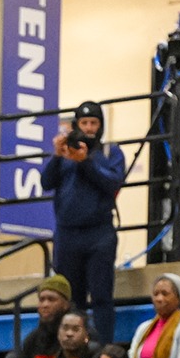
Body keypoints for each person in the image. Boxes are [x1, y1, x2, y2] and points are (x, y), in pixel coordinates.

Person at [42, 101, 124, 335]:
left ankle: (104, 347)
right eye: (84, 123)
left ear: (101, 125)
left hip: (99, 234)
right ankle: (72, 346)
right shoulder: (64, 153)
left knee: (101, 295)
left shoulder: (110, 152)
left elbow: (112, 183)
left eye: (94, 123)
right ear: (76, 125)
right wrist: (57, 156)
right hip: (67, 234)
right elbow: (46, 183)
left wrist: (85, 161)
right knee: (71, 299)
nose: (89, 128)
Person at [5, 275, 77, 358]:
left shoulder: (80, 335)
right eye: (41, 299)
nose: (45, 305)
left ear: (66, 304)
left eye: (51, 299)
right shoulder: (33, 339)